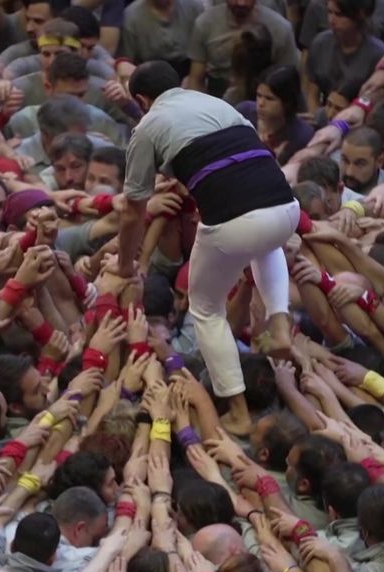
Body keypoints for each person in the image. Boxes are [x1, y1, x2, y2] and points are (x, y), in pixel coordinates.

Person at [118, 61, 299, 435]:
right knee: (266, 242)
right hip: (286, 208)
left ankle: (238, 411)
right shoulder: (218, 104)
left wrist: (126, 264)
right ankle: (279, 321)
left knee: (205, 308)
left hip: (235, 221)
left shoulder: (148, 126)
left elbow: (133, 210)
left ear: (142, 100)